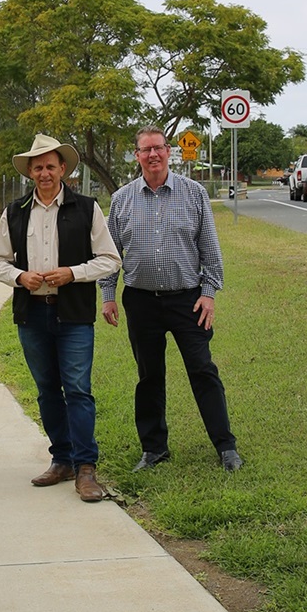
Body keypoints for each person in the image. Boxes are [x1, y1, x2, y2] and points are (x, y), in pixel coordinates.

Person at [101, 125, 243, 473]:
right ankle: (154, 450)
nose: (153, 155)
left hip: (188, 300)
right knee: (149, 376)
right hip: (141, 301)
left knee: (202, 370)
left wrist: (209, 294)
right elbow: (110, 253)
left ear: (169, 152)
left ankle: (226, 447)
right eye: (145, 150)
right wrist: (108, 295)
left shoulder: (193, 193)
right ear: (136, 156)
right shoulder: (121, 199)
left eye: (159, 148)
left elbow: (210, 249)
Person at [0, 134, 120, 503]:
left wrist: (73, 273)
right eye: (38, 167)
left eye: (50, 165)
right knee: (47, 390)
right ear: (29, 172)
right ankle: (61, 459)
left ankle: (86, 468)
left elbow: (110, 259)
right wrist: (19, 277)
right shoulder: (14, 212)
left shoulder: (86, 208)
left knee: (77, 390)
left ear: (63, 168)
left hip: (74, 314)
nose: (44, 172)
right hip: (32, 313)